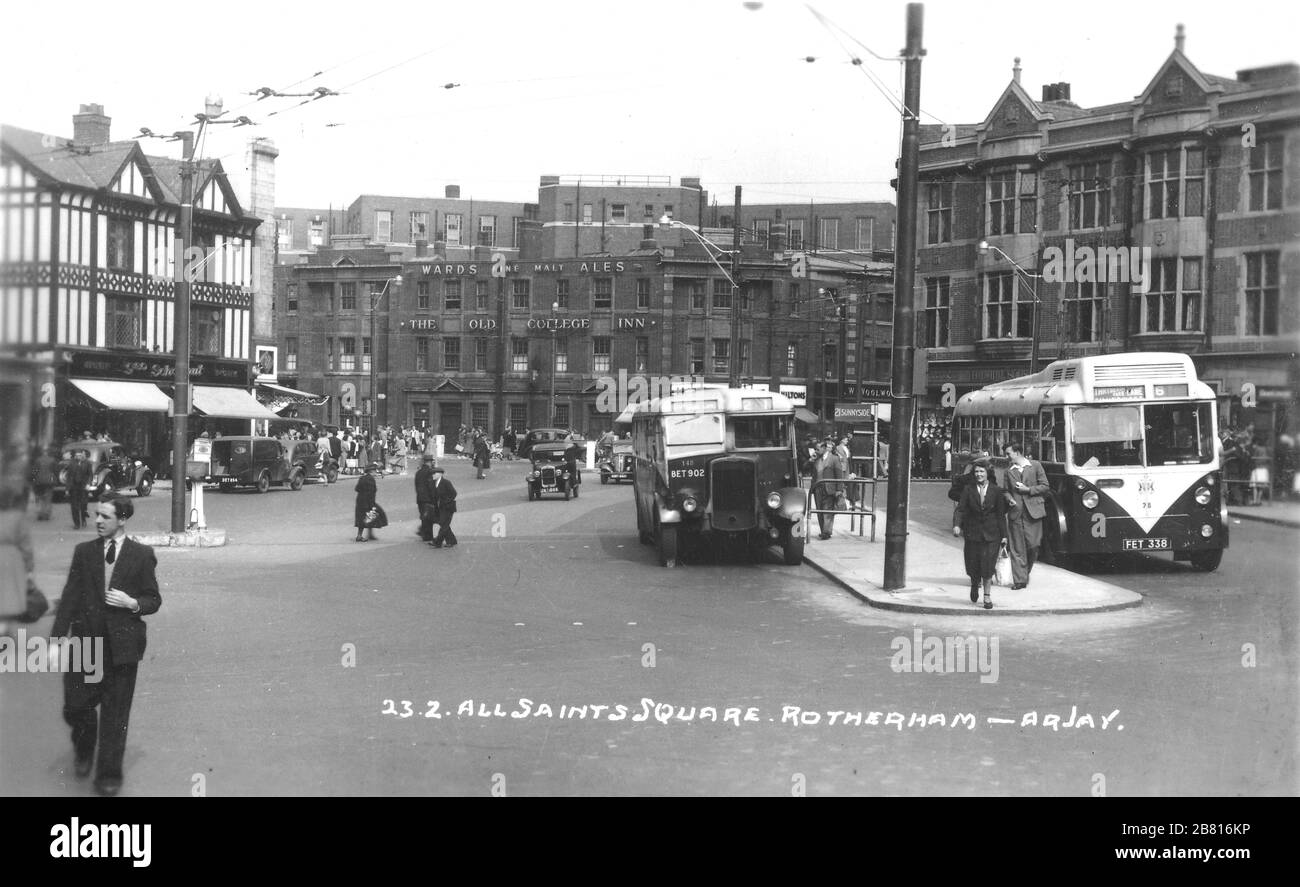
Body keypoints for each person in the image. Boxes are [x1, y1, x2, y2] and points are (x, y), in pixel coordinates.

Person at [51, 495, 161, 796]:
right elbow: (71, 596)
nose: (98, 521)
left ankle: (108, 776)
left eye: (105, 516)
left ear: (122, 519)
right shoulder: (84, 552)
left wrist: (133, 603)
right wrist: (57, 638)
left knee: (115, 715)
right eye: (97, 515)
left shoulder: (141, 555)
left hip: (122, 646)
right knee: (76, 707)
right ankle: (84, 748)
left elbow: (154, 599)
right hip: (86, 645)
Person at [952, 459, 1008, 609]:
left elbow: (1000, 514)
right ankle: (974, 584)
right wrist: (957, 525)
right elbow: (961, 509)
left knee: (988, 566)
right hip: (973, 533)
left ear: (987, 473)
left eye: (981, 471)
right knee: (973, 563)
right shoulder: (968, 490)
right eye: (976, 472)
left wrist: (1004, 535)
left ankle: (987, 597)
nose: (979, 474)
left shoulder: (996, 491)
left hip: (992, 534)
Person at [999, 442, 1050, 589]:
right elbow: (1006, 490)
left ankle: (1024, 573)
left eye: (1008, 453)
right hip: (1016, 513)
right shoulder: (1008, 471)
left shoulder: (1035, 466)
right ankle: (1020, 580)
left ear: (1017, 452)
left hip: (1033, 512)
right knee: (1016, 548)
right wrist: (1009, 499)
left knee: (1034, 545)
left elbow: (1045, 486)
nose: (1006, 457)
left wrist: (1028, 489)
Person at [0, 487, 36, 635]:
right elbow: (26, 546)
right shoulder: (17, 517)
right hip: (10, 560)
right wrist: (29, 568)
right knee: (7, 598)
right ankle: (3, 631)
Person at [812, 438, 846, 540]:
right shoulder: (817, 459)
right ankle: (823, 530)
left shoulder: (834, 458)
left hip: (829, 488)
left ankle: (826, 532)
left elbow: (839, 474)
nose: (816, 451)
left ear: (824, 448)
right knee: (819, 510)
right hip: (818, 488)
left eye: (818, 449)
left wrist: (839, 489)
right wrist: (810, 460)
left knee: (827, 510)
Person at [427, 465, 458, 549]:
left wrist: (445, 502)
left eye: (434, 473)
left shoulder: (446, 483)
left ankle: (437, 542)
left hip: (448, 507)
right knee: (444, 524)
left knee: (444, 525)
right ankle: (452, 541)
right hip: (439, 508)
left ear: (440, 474)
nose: (432, 475)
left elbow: (454, 493)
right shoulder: (433, 483)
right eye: (432, 473)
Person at [354, 463, 383, 542]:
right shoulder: (371, 480)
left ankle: (366, 534)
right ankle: (360, 536)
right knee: (369, 517)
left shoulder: (362, 478)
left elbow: (357, 489)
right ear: (371, 472)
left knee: (364, 518)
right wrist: (372, 504)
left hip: (360, 500)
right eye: (374, 471)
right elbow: (371, 493)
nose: (375, 473)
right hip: (367, 502)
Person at [66, 448, 93, 529]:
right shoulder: (71, 464)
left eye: (80, 455)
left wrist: (88, 484)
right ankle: (77, 523)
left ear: (83, 455)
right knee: (74, 506)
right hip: (74, 487)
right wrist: (67, 489)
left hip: (83, 487)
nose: (78, 457)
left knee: (83, 505)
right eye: (77, 455)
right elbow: (69, 477)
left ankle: (83, 519)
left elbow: (90, 475)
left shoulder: (87, 463)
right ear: (74, 456)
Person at [31, 445, 59, 521]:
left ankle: (40, 514)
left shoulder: (38, 460)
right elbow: (56, 471)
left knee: (40, 498)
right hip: (50, 481)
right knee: (48, 498)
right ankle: (46, 514)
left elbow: (34, 471)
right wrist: (55, 479)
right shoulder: (52, 460)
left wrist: (33, 479)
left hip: (39, 481)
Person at [414, 455, 436, 542]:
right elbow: (431, 486)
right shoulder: (430, 472)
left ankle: (424, 534)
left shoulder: (418, 472)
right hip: (428, 498)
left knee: (424, 516)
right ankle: (428, 535)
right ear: (430, 462)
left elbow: (416, 485)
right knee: (429, 517)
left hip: (420, 497)